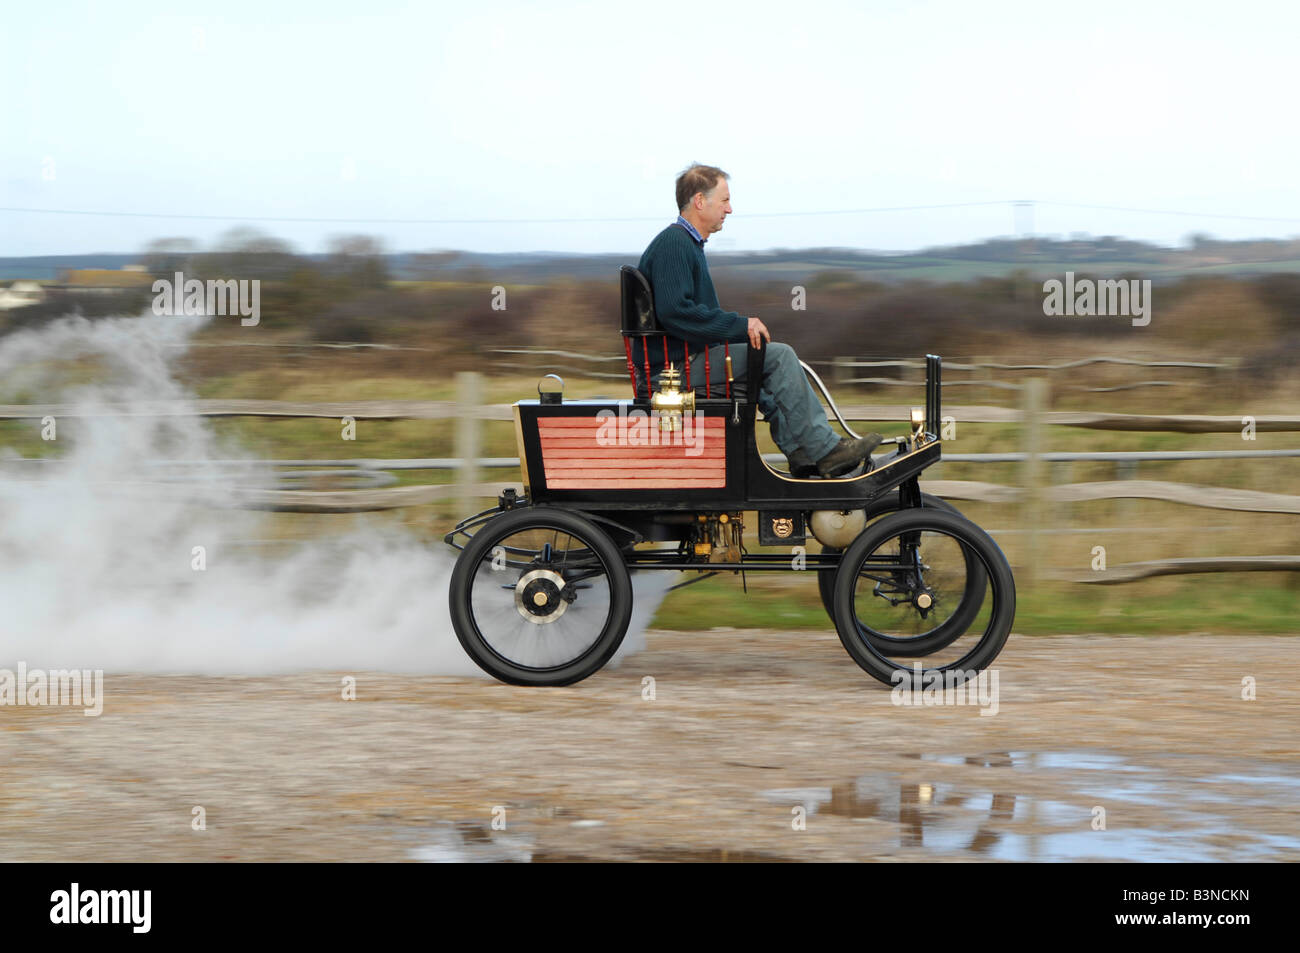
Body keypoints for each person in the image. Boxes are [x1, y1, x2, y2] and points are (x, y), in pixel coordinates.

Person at [637, 163, 881, 478]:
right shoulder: (675, 244)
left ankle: (804, 454)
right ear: (700, 201)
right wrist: (741, 326)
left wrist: (741, 332)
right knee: (779, 356)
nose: (730, 209)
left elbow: (685, 315)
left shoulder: (686, 244)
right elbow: (675, 313)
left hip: (683, 360)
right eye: (724, 200)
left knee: (760, 359)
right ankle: (825, 451)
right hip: (672, 372)